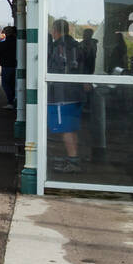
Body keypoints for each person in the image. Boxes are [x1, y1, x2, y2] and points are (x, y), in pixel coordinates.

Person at [48, 19, 83, 173]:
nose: (51, 33)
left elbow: (59, 68)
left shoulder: (59, 46)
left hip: (63, 95)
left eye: (52, 30)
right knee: (72, 129)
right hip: (75, 93)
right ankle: (72, 158)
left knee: (66, 130)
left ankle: (73, 162)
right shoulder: (76, 45)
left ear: (56, 30)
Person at [0, 26, 18, 110]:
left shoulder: (7, 41)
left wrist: (1, 39)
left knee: (6, 84)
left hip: (7, 65)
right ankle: (13, 101)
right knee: (12, 84)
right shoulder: (16, 40)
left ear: (7, 33)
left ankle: (11, 102)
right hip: (13, 65)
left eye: (4, 32)